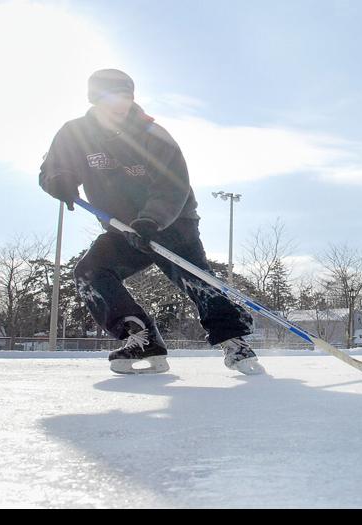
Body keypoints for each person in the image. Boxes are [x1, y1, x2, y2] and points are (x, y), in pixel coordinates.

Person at [39, 69, 260, 375]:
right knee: (90, 272)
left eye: (126, 97)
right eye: (112, 97)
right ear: (95, 99)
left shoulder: (152, 134)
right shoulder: (75, 133)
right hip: (121, 227)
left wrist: (151, 219)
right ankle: (141, 338)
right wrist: (58, 180)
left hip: (170, 221)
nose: (121, 104)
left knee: (194, 277)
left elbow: (172, 185)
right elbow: (53, 168)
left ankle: (233, 341)